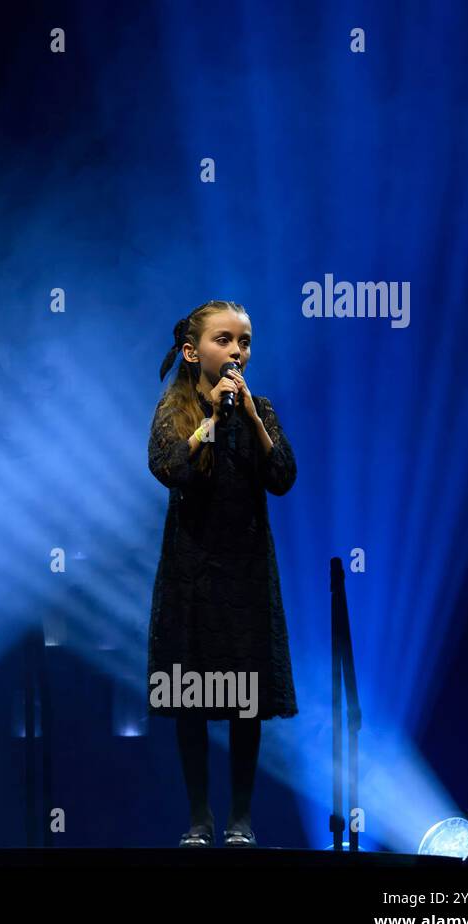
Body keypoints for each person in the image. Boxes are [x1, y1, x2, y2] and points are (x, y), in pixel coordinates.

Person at [146, 300, 297, 848]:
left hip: (246, 571)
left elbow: (282, 477)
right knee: (192, 696)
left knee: (245, 699)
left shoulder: (263, 410)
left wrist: (253, 418)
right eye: (225, 340)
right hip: (194, 570)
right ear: (193, 351)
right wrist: (210, 419)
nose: (238, 352)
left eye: (245, 342)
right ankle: (198, 818)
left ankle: (240, 818)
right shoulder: (177, 412)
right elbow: (171, 469)